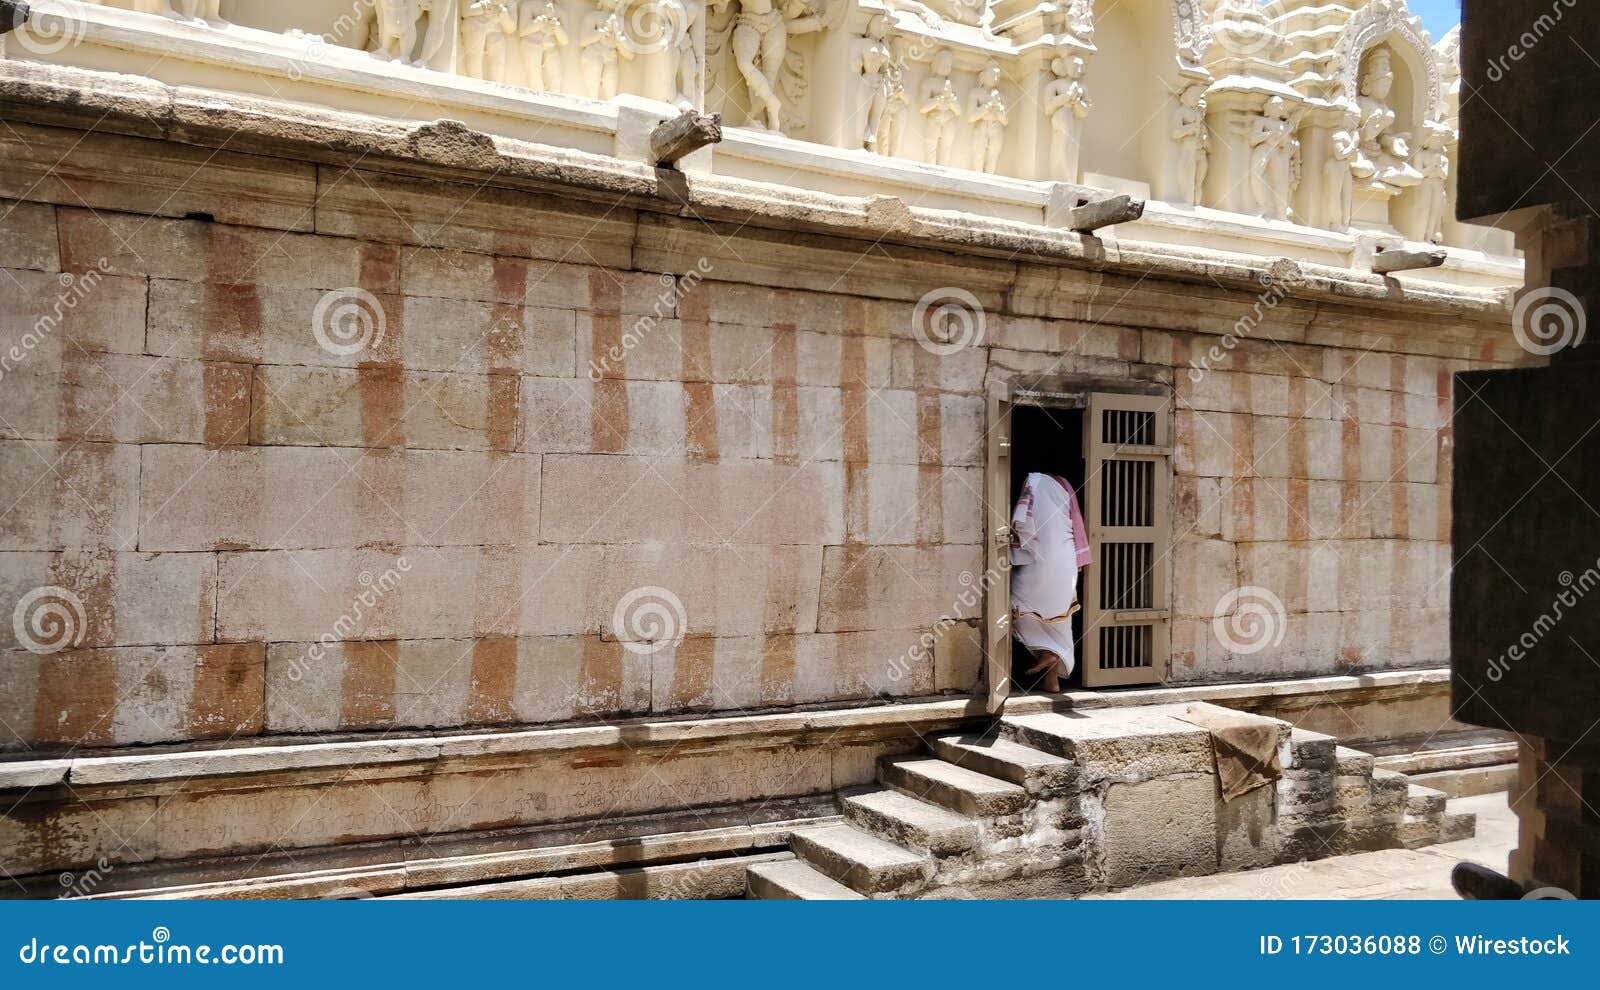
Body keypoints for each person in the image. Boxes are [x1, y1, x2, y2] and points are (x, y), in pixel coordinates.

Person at [1009, 472, 1090, 693]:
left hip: (1039, 558)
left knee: (1016, 610)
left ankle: (1048, 654)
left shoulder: (1034, 481)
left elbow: (1023, 521)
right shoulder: (1065, 487)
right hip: (1066, 559)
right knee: (1058, 621)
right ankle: (1051, 680)